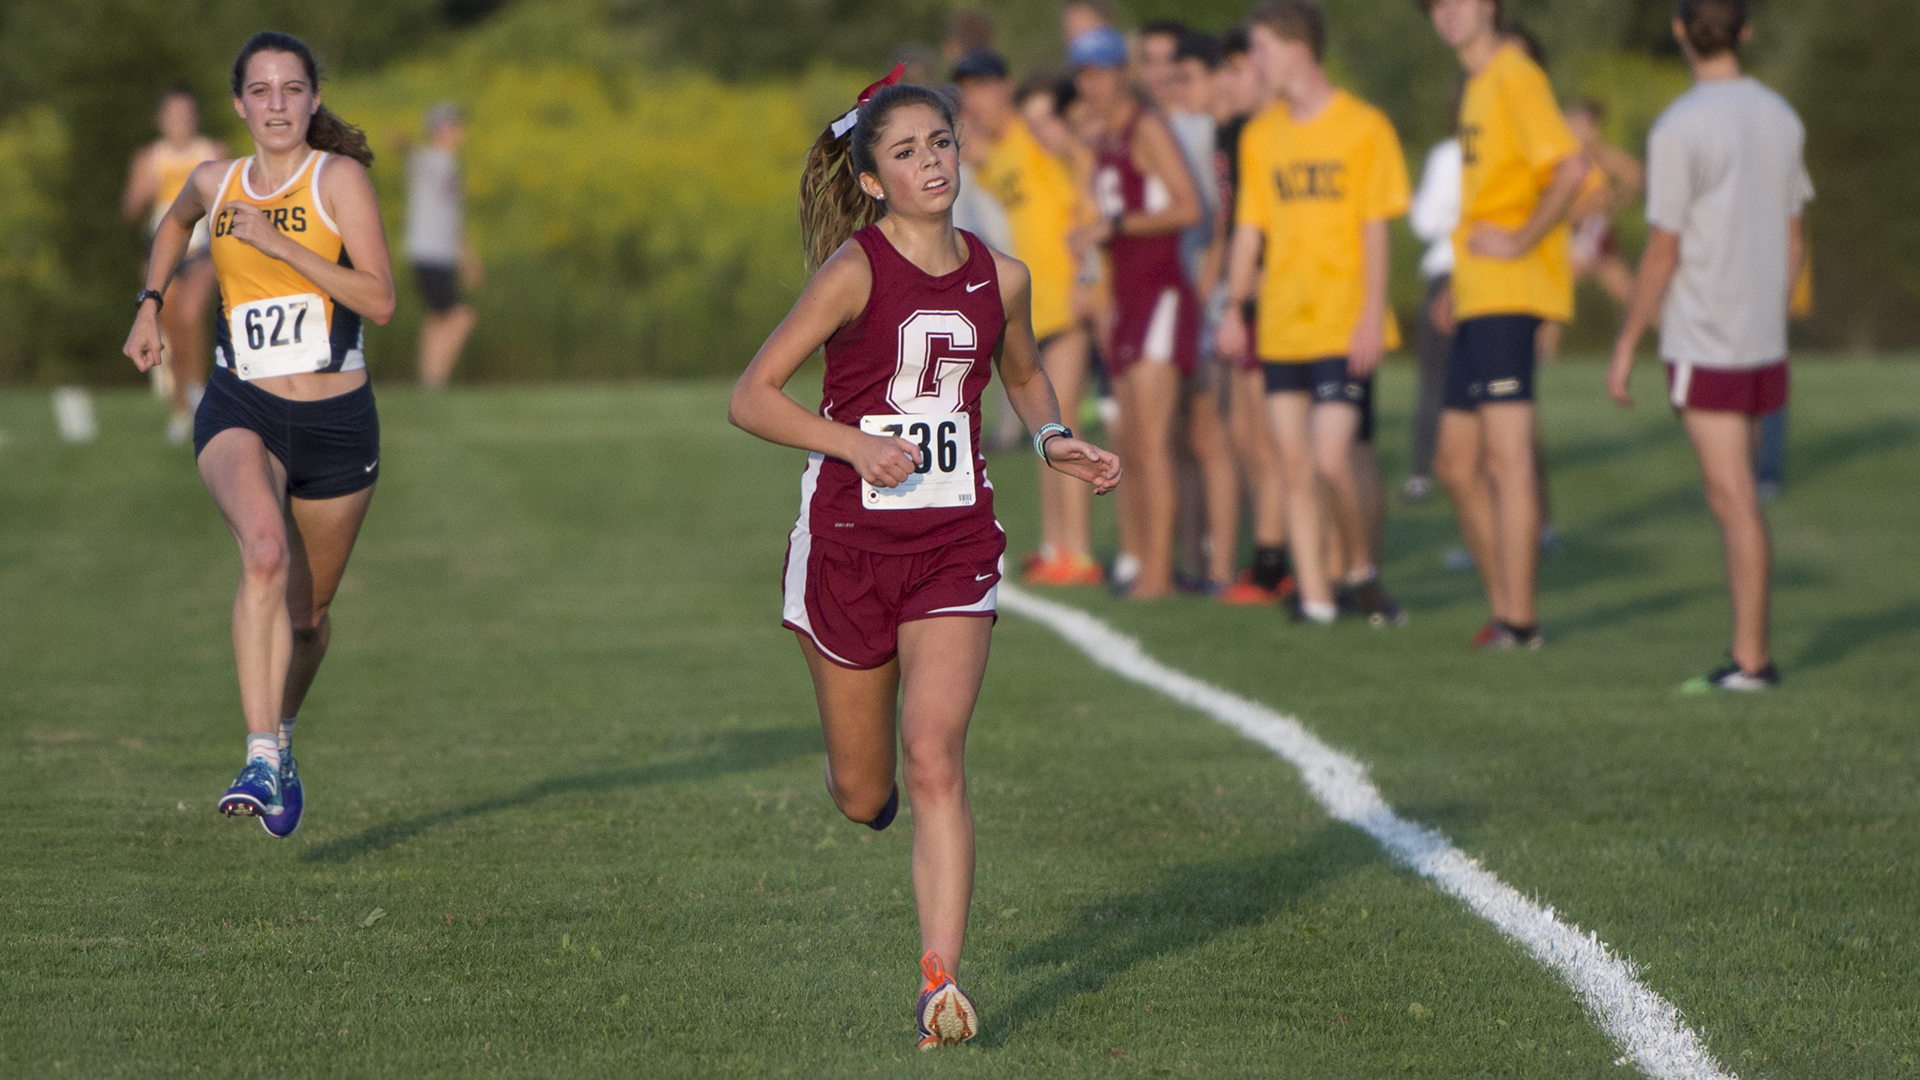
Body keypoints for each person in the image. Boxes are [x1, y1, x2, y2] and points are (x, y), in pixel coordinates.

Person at [728, 77, 1120, 1047]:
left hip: (953, 543)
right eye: (904, 153)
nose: (931, 163)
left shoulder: (1004, 275)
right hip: (851, 547)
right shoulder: (852, 274)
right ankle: (863, 790)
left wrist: (1053, 435)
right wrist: (852, 444)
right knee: (867, 793)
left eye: (940, 143)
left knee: (935, 752)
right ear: (870, 178)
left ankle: (939, 980)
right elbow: (752, 396)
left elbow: (1021, 369)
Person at [122, 32, 396, 836]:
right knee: (265, 553)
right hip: (241, 405)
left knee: (308, 622)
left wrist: (277, 241)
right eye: (262, 91)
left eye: (292, 89)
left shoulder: (337, 180)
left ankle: (282, 735)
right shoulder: (215, 179)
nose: (277, 104)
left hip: (338, 422)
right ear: (238, 104)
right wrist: (148, 303)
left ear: (312, 100)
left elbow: (379, 300)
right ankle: (258, 756)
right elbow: (172, 226)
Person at [1607, 0, 1809, 692]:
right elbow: (1794, 237)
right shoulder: (1782, 116)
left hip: (1708, 336)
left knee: (1732, 499)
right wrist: (1771, 319)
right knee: (1740, 493)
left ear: (1678, 31)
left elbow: (1663, 248)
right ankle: (1748, 654)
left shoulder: (1679, 126)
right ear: (1745, 33)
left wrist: (1628, 339)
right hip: (1758, 336)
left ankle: (1751, 662)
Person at [1218, 0, 1411, 626]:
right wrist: (1232, 307)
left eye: (1262, 49)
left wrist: (1370, 316)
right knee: (1293, 464)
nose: (1255, 63)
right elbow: (1249, 231)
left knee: (1332, 458)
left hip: (1342, 321)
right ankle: (1318, 599)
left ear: (1298, 50)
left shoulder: (1364, 127)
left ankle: (1360, 572)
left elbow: (1376, 232)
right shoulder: (1260, 134)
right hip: (1280, 326)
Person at [1422, 0, 1587, 649]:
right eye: (1435, 6)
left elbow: (1571, 170)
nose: (1447, 13)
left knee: (1506, 458)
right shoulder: (1475, 86)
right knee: (1454, 464)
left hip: (1510, 294)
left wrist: (1520, 241)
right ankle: (1505, 612)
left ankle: (1521, 622)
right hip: (1477, 293)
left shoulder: (1515, 72)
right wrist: (1460, 286)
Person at [957, 54, 1104, 586]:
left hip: (1065, 299)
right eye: (966, 88)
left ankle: (1081, 553)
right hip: (1032, 308)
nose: (975, 98)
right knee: (1044, 428)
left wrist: (1091, 276)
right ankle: (1055, 545)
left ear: (1006, 88)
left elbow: (1082, 177)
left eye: (984, 86)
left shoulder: (1033, 134)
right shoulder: (998, 155)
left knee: (1065, 426)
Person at [1072, 26, 1203, 598]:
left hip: (1160, 294)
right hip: (1126, 299)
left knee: (1152, 441)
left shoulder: (1144, 128)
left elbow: (1188, 206)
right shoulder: (1103, 139)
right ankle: (1140, 560)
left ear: (1120, 72)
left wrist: (1116, 226)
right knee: (1130, 444)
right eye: (1083, 74)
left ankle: (1159, 571)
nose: (1092, 84)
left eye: (1100, 71)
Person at [1211, 28, 1296, 605]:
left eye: (1238, 70)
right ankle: (1269, 553)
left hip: (1280, 291)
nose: (1228, 83)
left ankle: (1273, 561)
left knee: (1269, 438)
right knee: (1244, 433)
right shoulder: (1236, 131)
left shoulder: (1283, 130)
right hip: (1243, 290)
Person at [122, 86, 227, 445]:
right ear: (160, 119)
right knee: (174, 337)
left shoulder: (213, 153)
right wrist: (145, 192)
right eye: (173, 115)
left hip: (202, 253)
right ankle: (181, 407)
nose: (180, 122)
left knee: (191, 317)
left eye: (186, 115)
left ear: (195, 118)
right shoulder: (149, 158)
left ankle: (198, 395)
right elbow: (130, 212)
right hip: (162, 257)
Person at [1403, 84, 1463, 506]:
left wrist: (1412, 201)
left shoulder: (1446, 155)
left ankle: (1422, 473)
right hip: (1496, 276)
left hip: (1447, 272)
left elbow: (1425, 224)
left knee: (1433, 381)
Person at [407, 103, 484, 389]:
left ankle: (429, 381)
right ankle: (434, 380)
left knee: (438, 319)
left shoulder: (450, 165)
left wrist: (469, 258)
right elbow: (411, 153)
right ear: (441, 130)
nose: (461, 131)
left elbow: (454, 220)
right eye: (455, 126)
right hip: (430, 252)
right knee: (461, 316)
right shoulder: (432, 159)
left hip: (439, 253)